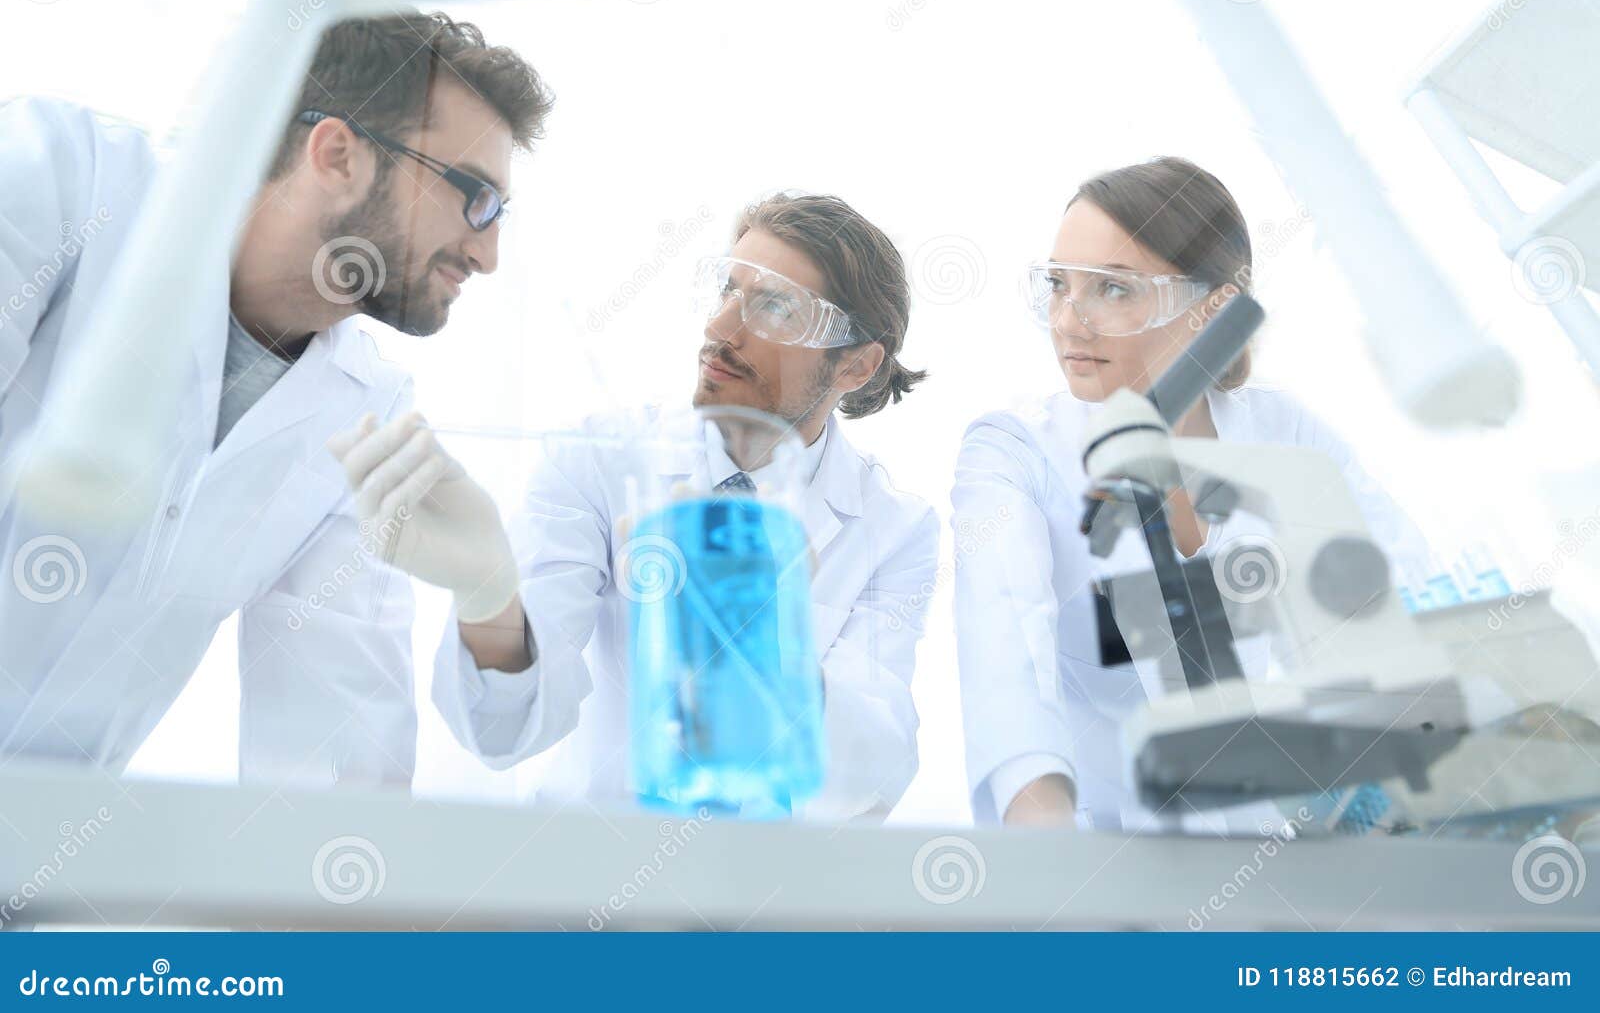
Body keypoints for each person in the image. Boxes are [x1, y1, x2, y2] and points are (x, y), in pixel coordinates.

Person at [0, 11, 552, 788]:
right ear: (337, 155)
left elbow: (331, 769)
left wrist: (488, 595)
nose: (487, 253)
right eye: (476, 197)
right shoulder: (63, 176)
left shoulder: (368, 416)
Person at [331, 193, 939, 819]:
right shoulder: (602, 461)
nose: (720, 330)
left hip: (766, 874)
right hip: (592, 865)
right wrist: (487, 594)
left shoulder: (895, 528)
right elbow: (502, 730)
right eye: (728, 292)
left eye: (775, 308)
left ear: (857, 365)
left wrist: (756, 637)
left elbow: (871, 775)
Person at [953, 157, 1429, 832]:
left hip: (1295, 837)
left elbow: (1404, 599)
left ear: (1215, 310)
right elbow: (1006, 650)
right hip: (1108, 849)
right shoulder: (1015, 449)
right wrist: (1043, 843)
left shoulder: (1285, 434)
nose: (1069, 321)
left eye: (1113, 289)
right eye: (1058, 285)